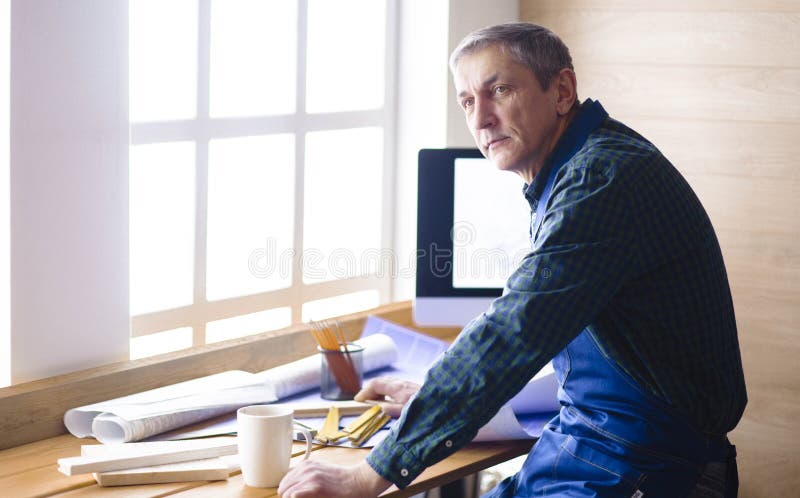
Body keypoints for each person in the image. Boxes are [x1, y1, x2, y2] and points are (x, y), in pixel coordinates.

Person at [278, 22, 746, 498]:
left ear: (562, 91)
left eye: (498, 90)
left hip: (649, 467)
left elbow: (510, 334)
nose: (480, 119)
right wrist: (431, 407)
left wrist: (366, 474)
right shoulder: (576, 167)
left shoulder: (602, 179)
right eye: (466, 101)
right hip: (587, 448)